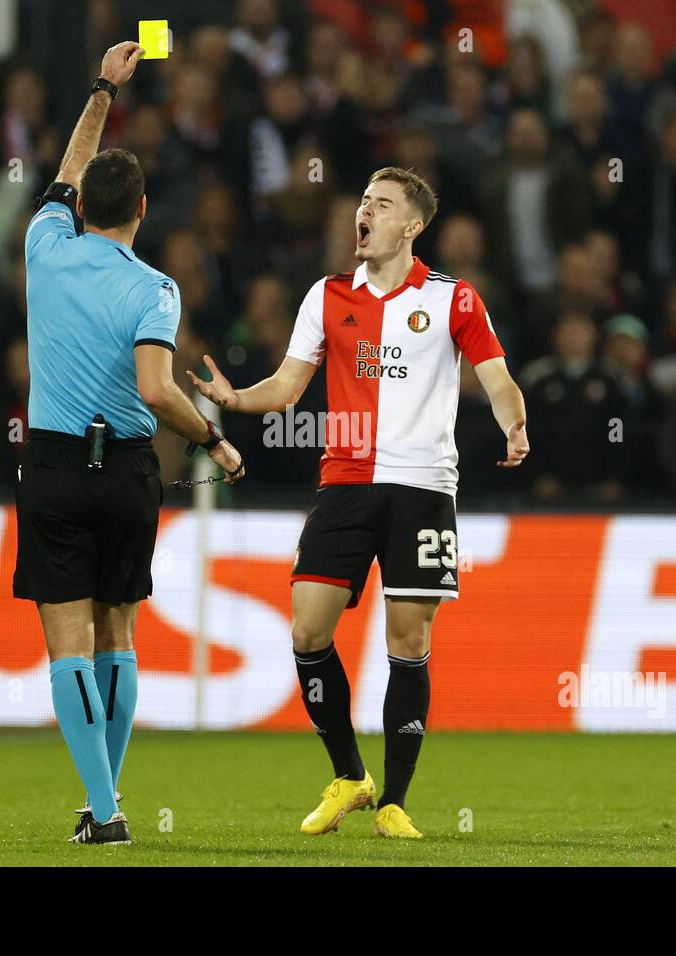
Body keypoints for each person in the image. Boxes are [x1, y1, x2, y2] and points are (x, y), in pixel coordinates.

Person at [188, 167, 528, 839]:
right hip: (343, 481)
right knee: (308, 629)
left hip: (423, 487)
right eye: (363, 202)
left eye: (381, 204)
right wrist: (233, 399)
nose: (364, 213)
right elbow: (288, 386)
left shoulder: (453, 298)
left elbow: (498, 377)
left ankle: (396, 800)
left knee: (409, 640)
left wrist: (515, 424)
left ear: (412, 225)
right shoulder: (326, 294)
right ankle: (350, 775)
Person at [14, 41, 244, 847]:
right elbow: (155, 390)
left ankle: (105, 810)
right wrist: (212, 437)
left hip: (53, 465)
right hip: (130, 475)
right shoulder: (156, 288)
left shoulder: (45, 246)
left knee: (68, 648)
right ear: (143, 211)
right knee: (119, 639)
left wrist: (104, 90)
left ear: (78, 207)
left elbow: (66, 168)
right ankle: (102, 804)